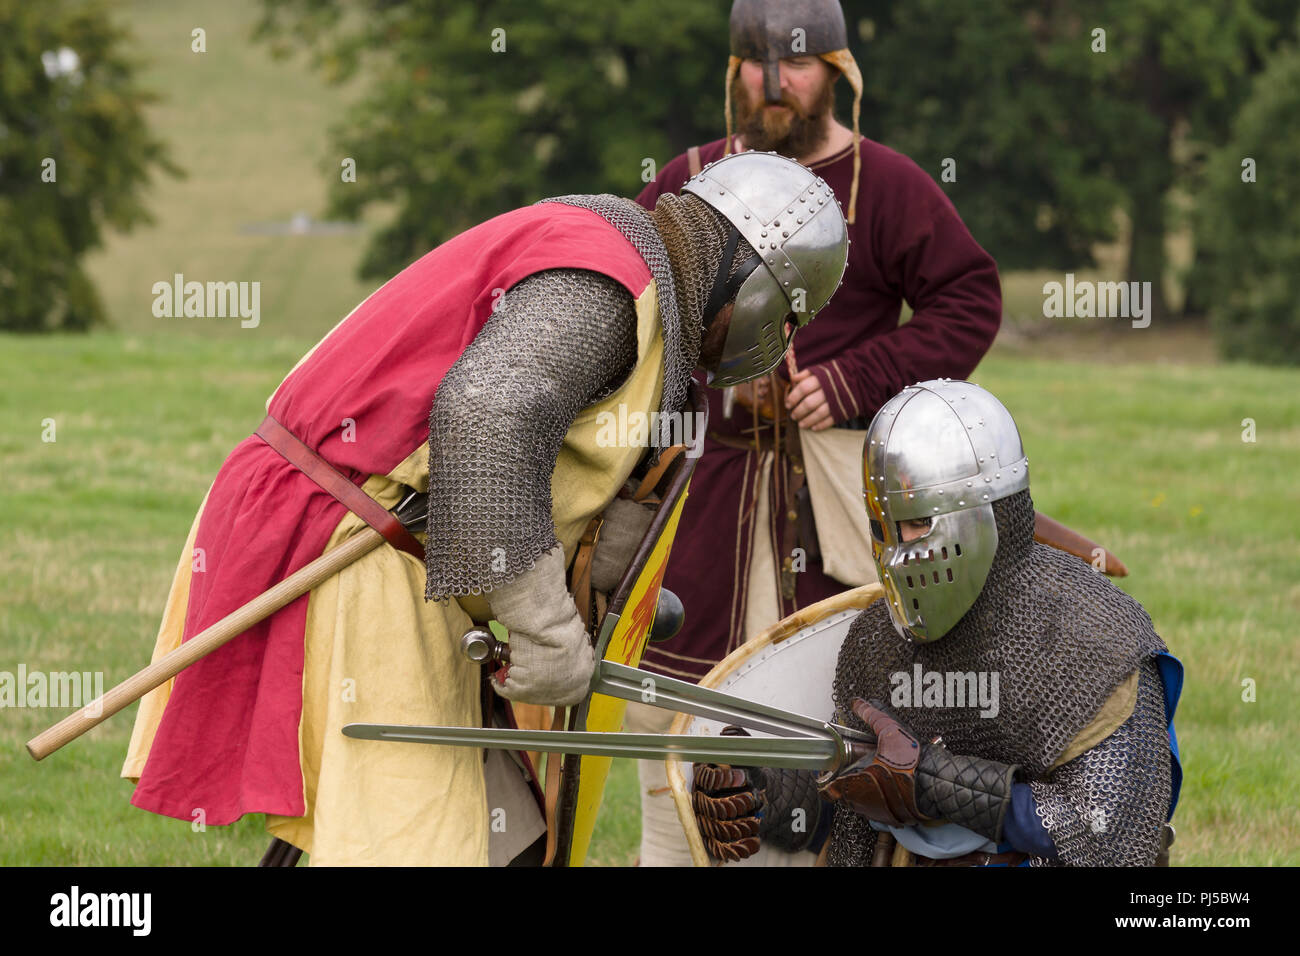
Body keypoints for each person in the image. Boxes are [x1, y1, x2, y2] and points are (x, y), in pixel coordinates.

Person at [119, 151, 849, 865]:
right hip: (350, 547)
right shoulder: (607, 283)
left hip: (392, 552)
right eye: (786, 316)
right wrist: (546, 631)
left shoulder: (635, 278)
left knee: (508, 837)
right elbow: (485, 420)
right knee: (415, 841)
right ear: (746, 273)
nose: (781, 343)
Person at [628, 0, 1002, 865]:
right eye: (756, 67)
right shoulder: (687, 179)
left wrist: (852, 381)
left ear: (837, 70)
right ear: (735, 76)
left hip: (835, 495)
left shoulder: (887, 184)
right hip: (704, 492)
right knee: (675, 724)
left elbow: (969, 297)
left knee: (831, 724)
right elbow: (637, 303)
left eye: (794, 65)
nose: (774, 84)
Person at [692, 379, 1182, 867]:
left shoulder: (1088, 637)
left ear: (990, 513)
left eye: (920, 523)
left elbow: (1104, 832)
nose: (898, 552)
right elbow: (853, 819)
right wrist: (767, 793)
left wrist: (935, 783)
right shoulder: (876, 640)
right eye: (883, 529)